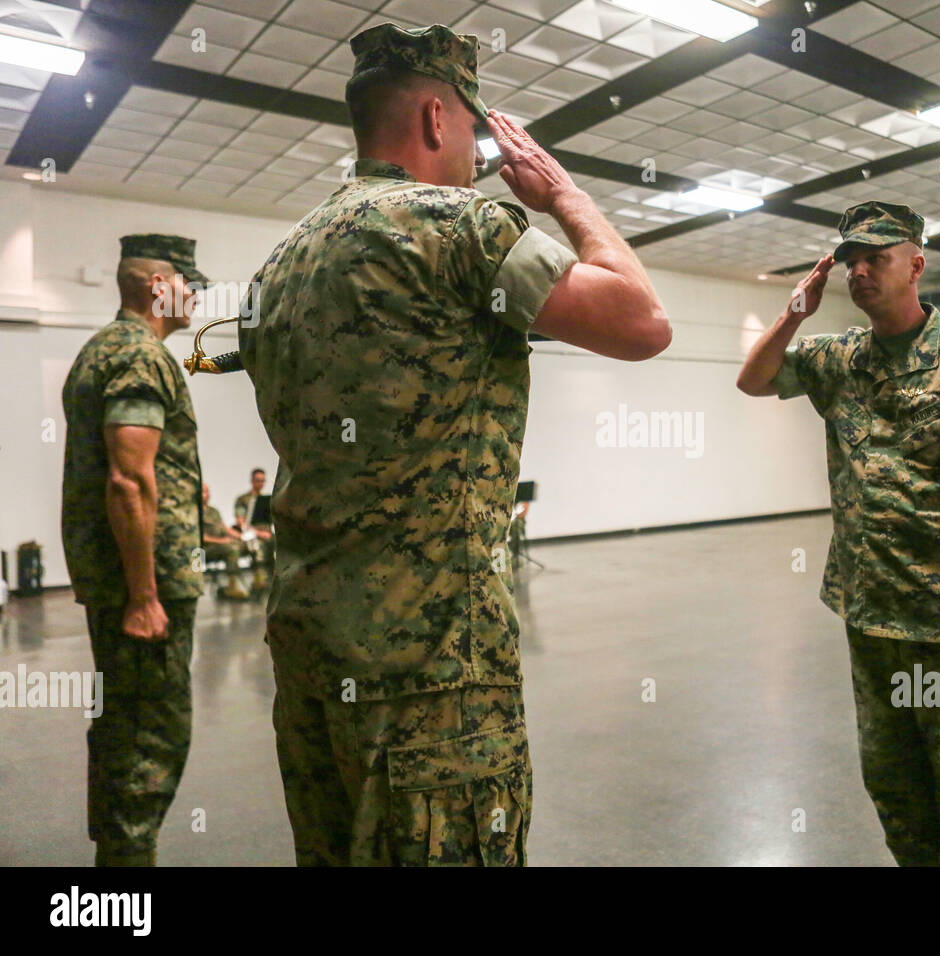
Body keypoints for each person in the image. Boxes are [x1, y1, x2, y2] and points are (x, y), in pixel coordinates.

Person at [236, 23, 670, 866]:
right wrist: (565, 198)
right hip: (433, 672)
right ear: (439, 118)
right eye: (474, 126)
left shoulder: (280, 263)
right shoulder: (456, 226)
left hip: (311, 653)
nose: (478, 147)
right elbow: (642, 321)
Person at [736, 200, 940, 867]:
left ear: (916, 265)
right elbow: (754, 379)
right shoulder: (837, 358)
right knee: (895, 786)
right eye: (850, 260)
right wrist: (795, 312)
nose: (859, 272)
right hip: (871, 617)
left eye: (875, 258)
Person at [60, 233, 209, 866]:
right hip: (145, 585)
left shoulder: (108, 349)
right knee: (149, 739)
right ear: (158, 287)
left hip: (126, 576)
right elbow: (128, 478)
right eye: (189, 284)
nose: (196, 296)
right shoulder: (139, 355)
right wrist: (145, 596)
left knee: (124, 729)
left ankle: (117, 867)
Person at [201, 483, 250, 599]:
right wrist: (222, 541)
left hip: (220, 546)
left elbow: (225, 529)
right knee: (231, 548)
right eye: (203, 492)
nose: (207, 495)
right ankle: (232, 586)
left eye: (208, 492)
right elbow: (199, 536)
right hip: (203, 550)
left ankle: (259, 581)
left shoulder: (213, 511)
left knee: (247, 545)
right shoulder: (194, 512)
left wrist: (242, 537)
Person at [233, 467, 273, 591]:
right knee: (258, 547)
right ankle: (259, 582)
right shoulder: (243, 499)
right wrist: (257, 533)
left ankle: (276, 580)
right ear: (252, 480)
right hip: (252, 534)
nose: (261, 484)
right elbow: (241, 521)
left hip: (267, 532)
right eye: (258, 480)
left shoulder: (267, 500)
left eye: (263, 481)